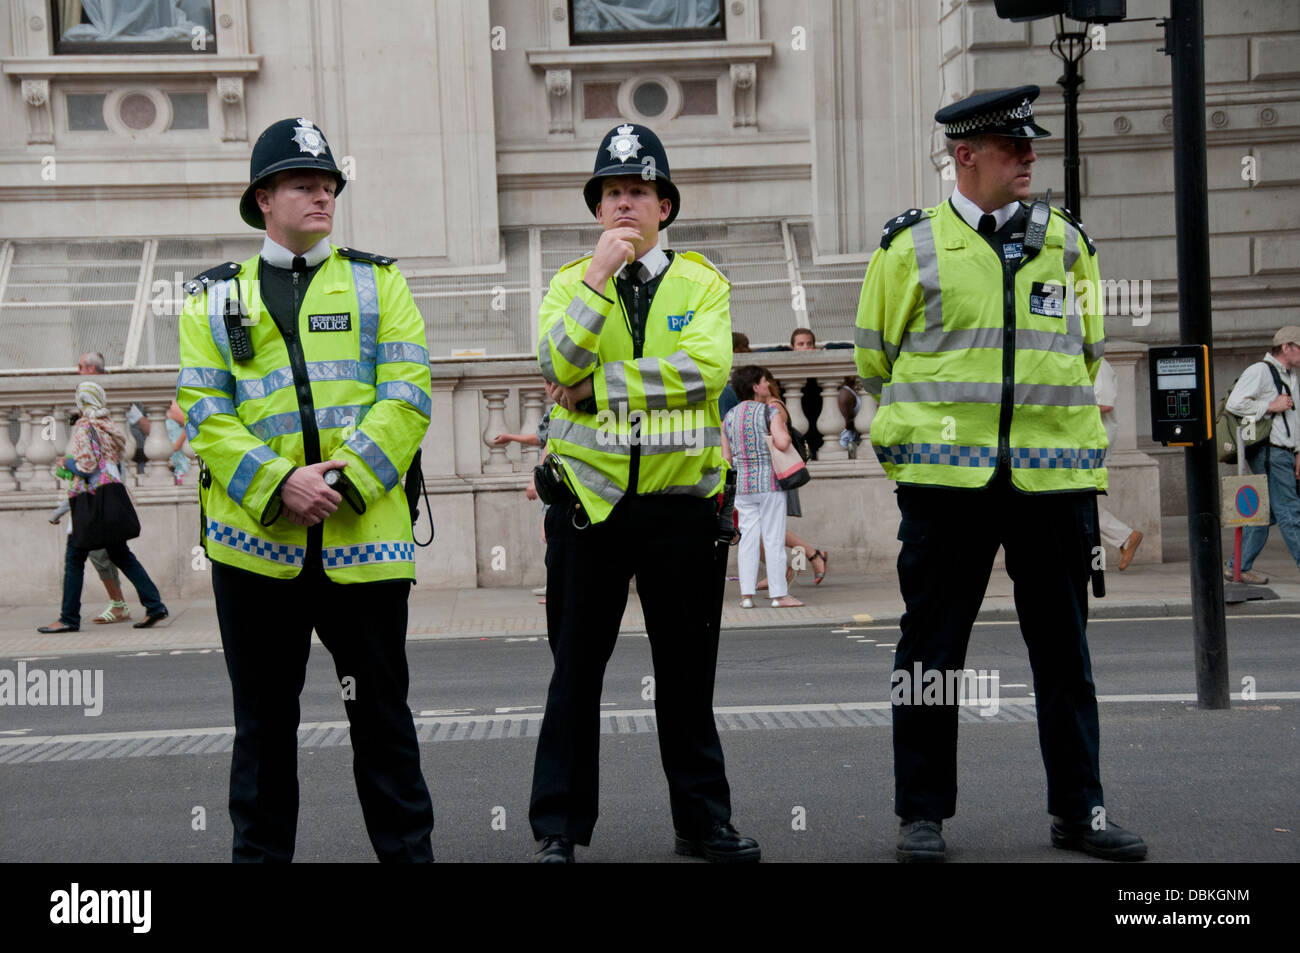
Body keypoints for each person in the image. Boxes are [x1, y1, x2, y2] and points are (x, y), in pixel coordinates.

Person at [856, 85, 1145, 862]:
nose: (1030, 157)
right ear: (965, 156)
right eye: (1015, 147)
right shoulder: (908, 246)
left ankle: (1080, 811)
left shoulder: (1068, 242)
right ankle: (922, 814)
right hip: (946, 488)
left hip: (1051, 488)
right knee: (930, 654)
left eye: (1030, 145)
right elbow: (873, 361)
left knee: (1065, 657)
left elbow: (1087, 351)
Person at [178, 117, 435, 862]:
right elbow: (204, 408)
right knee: (262, 732)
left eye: (327, 184)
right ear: (263, 199)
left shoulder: (379, 280)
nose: (321, 194)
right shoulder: (211, 298)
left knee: (383, 723)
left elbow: (408, 394)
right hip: (256, 554)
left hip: (365, 550)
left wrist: (339, 481)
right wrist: (279, 483)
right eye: (302, 183)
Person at [531, 122, 759, 863]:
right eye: (612, 193)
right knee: (574, 676)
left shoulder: (703, 282)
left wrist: (595, 389)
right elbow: (552, 358)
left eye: (638, 191)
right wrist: (596, 282)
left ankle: (702, 820)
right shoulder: (571, 283)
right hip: (587, 508)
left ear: (665, 204)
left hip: (680, 508)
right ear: (598, 207)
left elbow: (703, 376)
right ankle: (558, 829)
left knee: (687, 675)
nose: (624, 204)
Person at [37, 381, 169, 633]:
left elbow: (88, 467)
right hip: (110, 501)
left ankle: (68, 618)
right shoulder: (109, 427)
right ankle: (154, 605)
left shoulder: (85, 425)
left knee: (74, 560)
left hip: (89, 503)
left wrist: (68, 462)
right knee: (122, 555)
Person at [722, 365, 803, 608]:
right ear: (755, 386)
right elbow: (782, 441)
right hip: (769, 483)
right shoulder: (769, 412)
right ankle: (780, 595)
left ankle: (747, 595)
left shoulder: (729, 417)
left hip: (743, 486)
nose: (768, 384)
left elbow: (726, 458)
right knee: (773, 538)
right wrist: (784, 436)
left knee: (747, 539)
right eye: (764, 381)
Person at [1224, 326, 1300, 582]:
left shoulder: (1290, 375)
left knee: (1267, 513)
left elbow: (1295, 418)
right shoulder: (1260, 371)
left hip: (1285, 452)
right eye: (1299, 347)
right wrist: (1270, 405)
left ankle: (1238, 566)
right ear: (1286, 347)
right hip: (1271, 452)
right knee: (1290, 511)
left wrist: (1298, 452)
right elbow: (1235, 403)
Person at [1093, 359, 1143, 570]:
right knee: (1080, 501)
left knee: (1080, 501)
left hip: (1094, 443)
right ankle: (1124, 536)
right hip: (1085, 442)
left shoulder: (1100, 365)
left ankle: (1125, 536)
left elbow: (1105, 404)